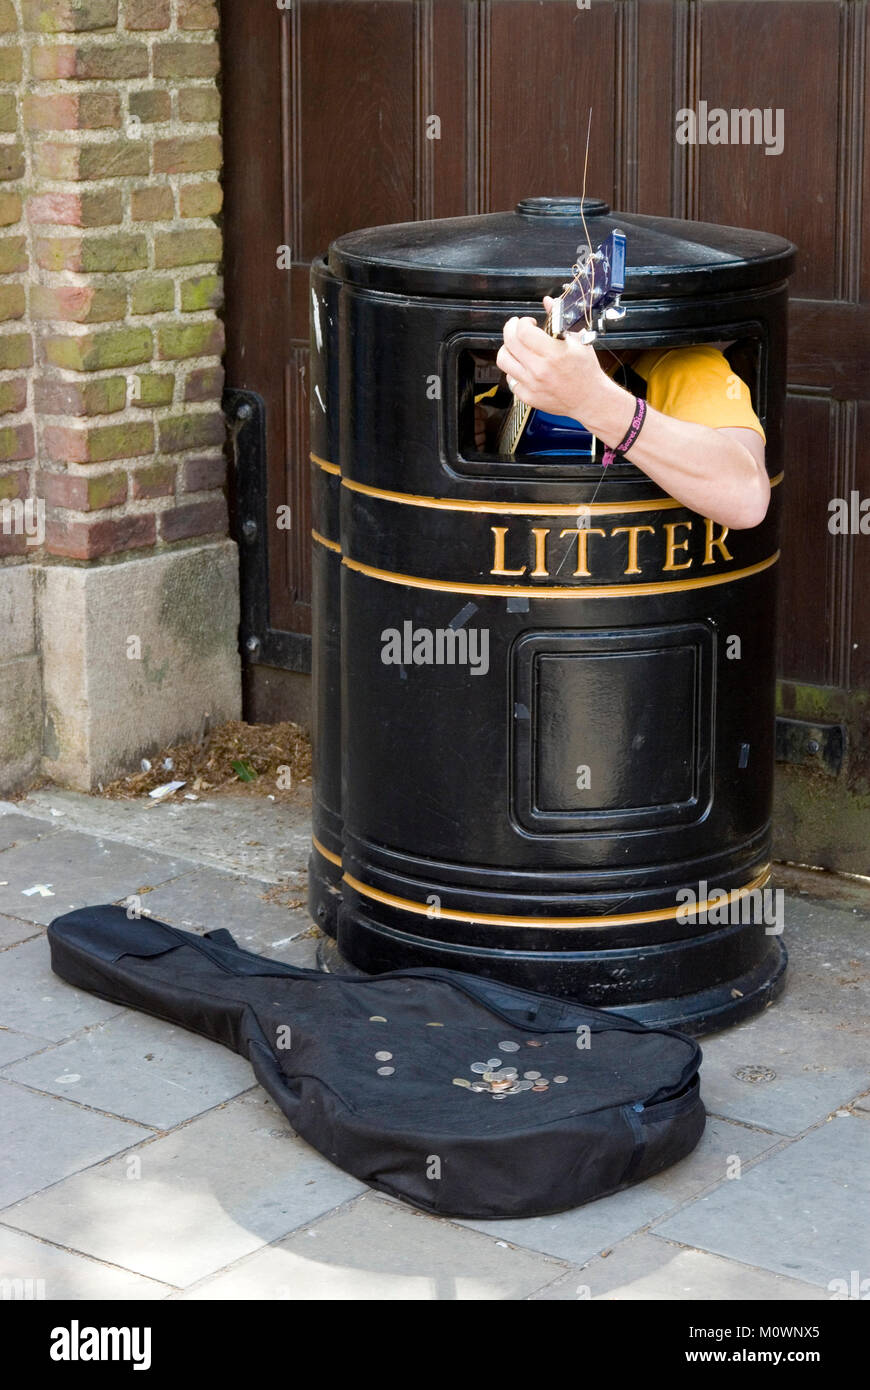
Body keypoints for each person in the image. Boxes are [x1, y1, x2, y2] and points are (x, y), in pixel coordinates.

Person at [480, 301, 769, 530]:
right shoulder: (523, 379)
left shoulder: (685, 367)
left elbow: (747, 498)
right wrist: (488, 423)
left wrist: (592, 399)